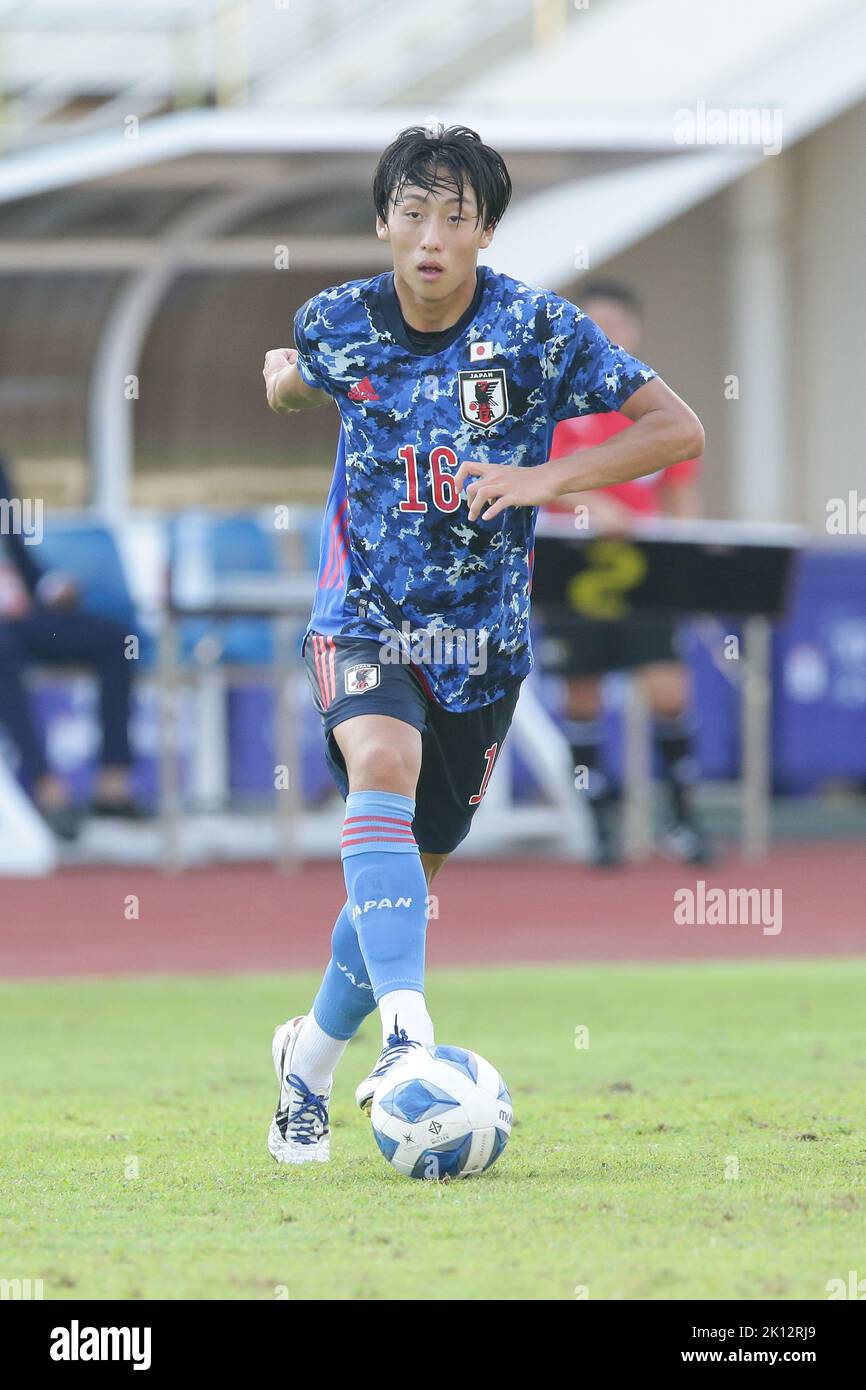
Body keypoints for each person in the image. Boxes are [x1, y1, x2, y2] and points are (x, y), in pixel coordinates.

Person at [261, 124, 704, 1164]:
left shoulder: (539, 331)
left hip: (480, 651)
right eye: (410, 213)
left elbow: (675, 427)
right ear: (383, 224)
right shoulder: (337, 321)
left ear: (484, 230)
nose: (428, 236)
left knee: (410, 875)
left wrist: (542, 481)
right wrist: (284, 377)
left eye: (452, 217)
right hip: (359, 619)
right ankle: (411, 1034)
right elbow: (299, 375)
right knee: (380, 760)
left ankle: (309, 1064)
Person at [539, 281, 710, 866]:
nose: (608, 335)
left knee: (667, 689)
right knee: (582, 696)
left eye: (618, 324)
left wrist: (684, 551)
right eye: (596, 324)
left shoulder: (657, 409)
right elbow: (539, 480)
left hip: (643, 566)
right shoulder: (555, 405)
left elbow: (683, 485)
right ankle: (600, 821)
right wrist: (587, 506)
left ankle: (682, 817)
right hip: (573, 568)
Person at [0, 455, 144, 840]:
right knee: (3, 650)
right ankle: (46, 785)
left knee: (116, 641)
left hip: (20, 615)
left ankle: (112, 784)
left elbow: (19, 552)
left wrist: (50, 585)